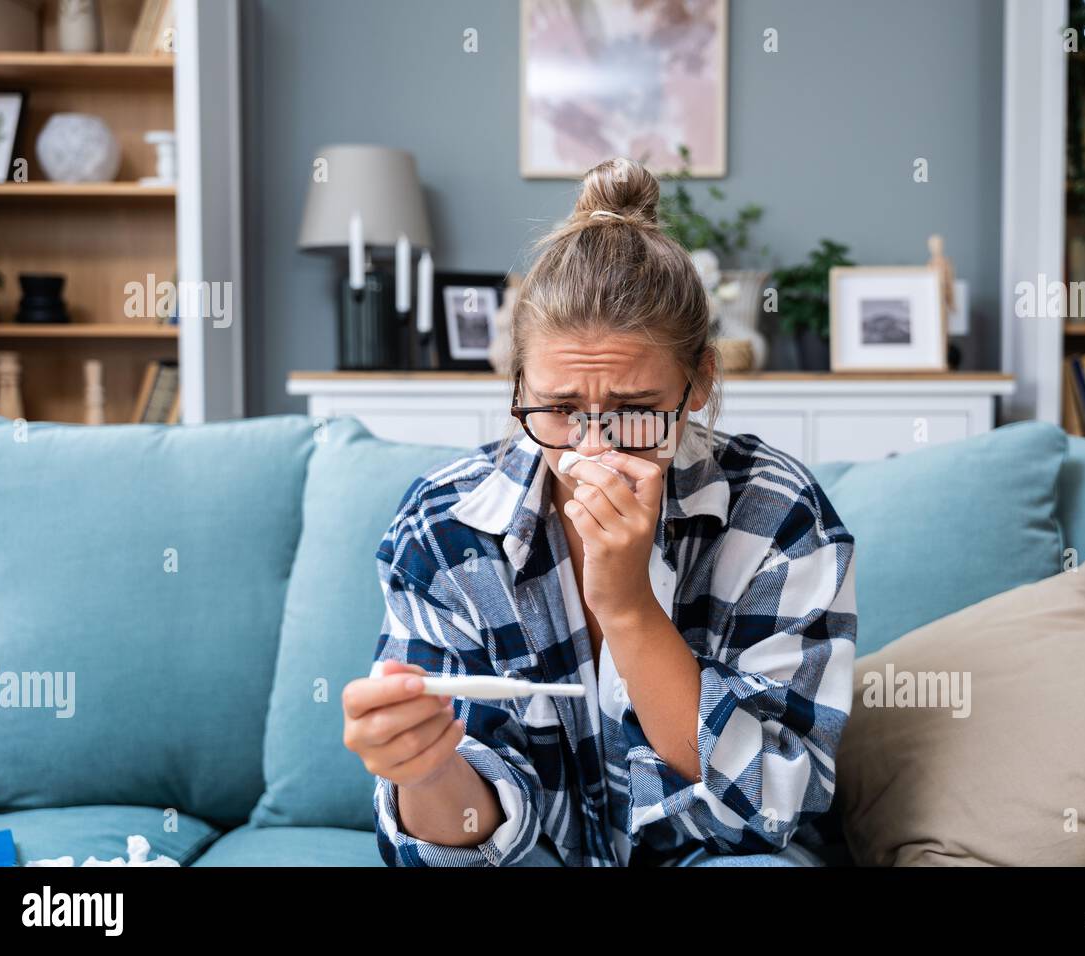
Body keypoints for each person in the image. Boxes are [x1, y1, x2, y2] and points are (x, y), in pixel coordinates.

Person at [342, 157, 857, 867]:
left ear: (699, 382)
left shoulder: (776, 516)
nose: (593, 451)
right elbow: (455, 844)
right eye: (558, 409)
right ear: (518, 384)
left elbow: (775, 799)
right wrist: (424, 769)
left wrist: (627, 606)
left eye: (637, 411)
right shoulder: (445, 528)